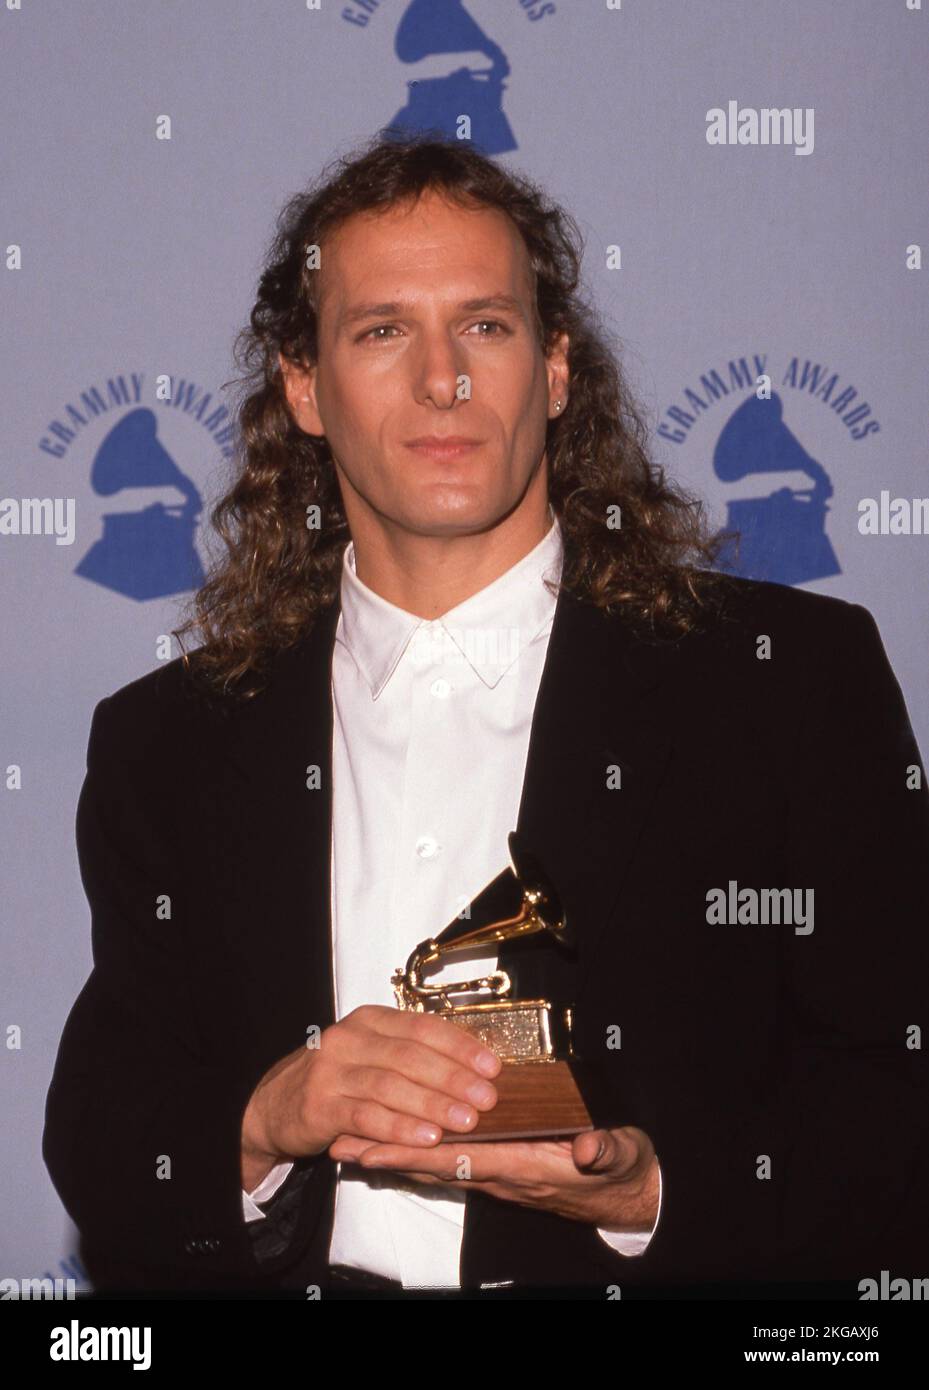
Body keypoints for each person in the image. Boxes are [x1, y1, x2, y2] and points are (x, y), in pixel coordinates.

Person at [44, 134, 929, 1296]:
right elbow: (111, 1144)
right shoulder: (168, 740)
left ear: (554, 369)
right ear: (302, 388)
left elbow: (892, 1088)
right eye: (380, 331)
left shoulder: (785, 679)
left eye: (485, 325)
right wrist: (265, 1121)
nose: (441, 379)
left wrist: (649, 1194)